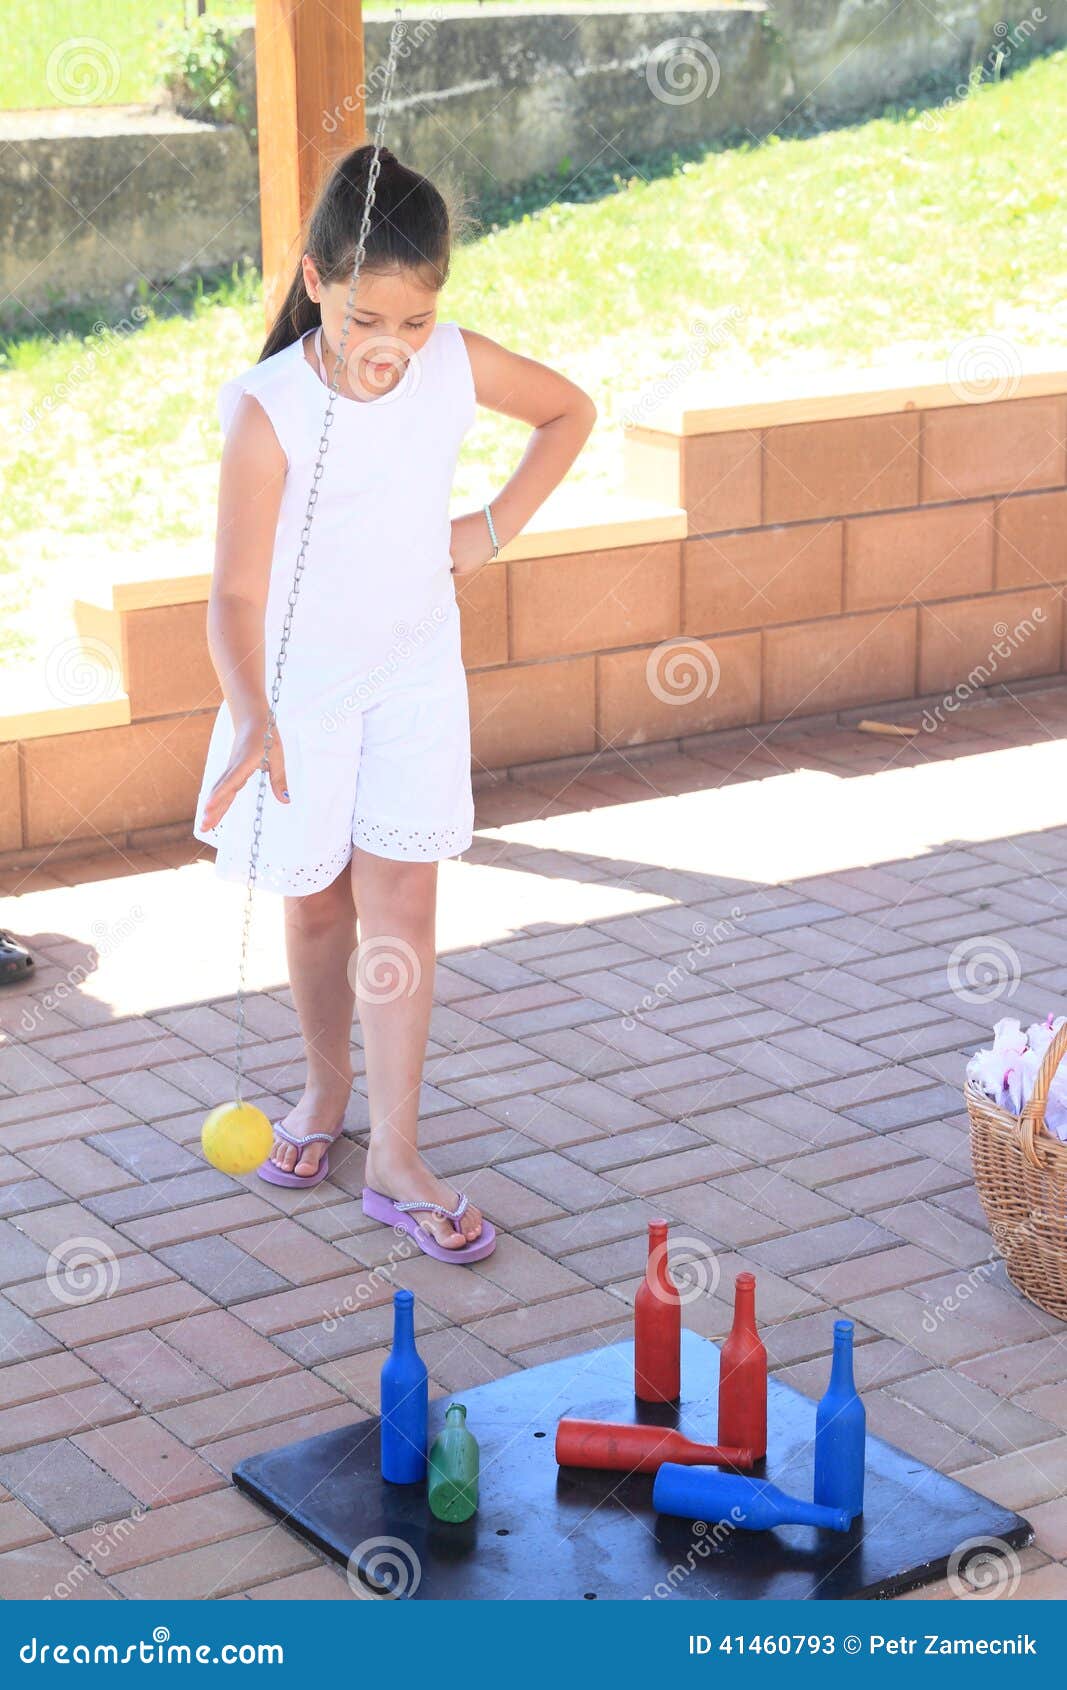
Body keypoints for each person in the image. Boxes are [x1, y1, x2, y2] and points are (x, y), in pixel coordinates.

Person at [193, 144, 596, 1263]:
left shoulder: (455, 365)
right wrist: (250, 712)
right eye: (368, 317)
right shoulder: (266, 409)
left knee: (403, 913)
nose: (391, 347)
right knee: (317, 904)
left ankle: (397, 1154)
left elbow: (568, 412)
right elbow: (230, 592)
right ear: (315, 281)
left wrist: (491, 527)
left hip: (416, 677)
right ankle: (323, 1099)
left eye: (414, 323)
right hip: (297, 697)